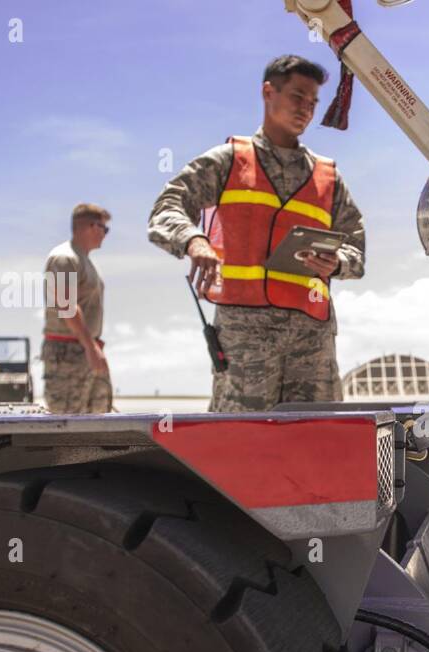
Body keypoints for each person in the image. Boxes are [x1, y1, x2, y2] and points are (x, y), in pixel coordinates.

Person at [147, 54, 365, 412]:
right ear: (269, 92)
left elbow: (356, 246)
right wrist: (194, 240)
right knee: (238, 449)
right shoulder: (228, 161)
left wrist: (337, 262)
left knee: (316, 445)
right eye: (298, 97)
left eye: (313, 103)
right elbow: (167, 206)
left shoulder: (328, 178)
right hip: (245, 339)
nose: (306, 110)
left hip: (312, 342)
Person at [42, 202, 112, 414]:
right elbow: (66, 305)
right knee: (68, 423)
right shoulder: (64, 258)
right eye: (104, 229)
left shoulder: (85, 262)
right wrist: (91, 347)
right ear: (91, 226)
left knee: (98, 419)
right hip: (68, 353)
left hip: (85, 348)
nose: (105, 235)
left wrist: (94, 349)